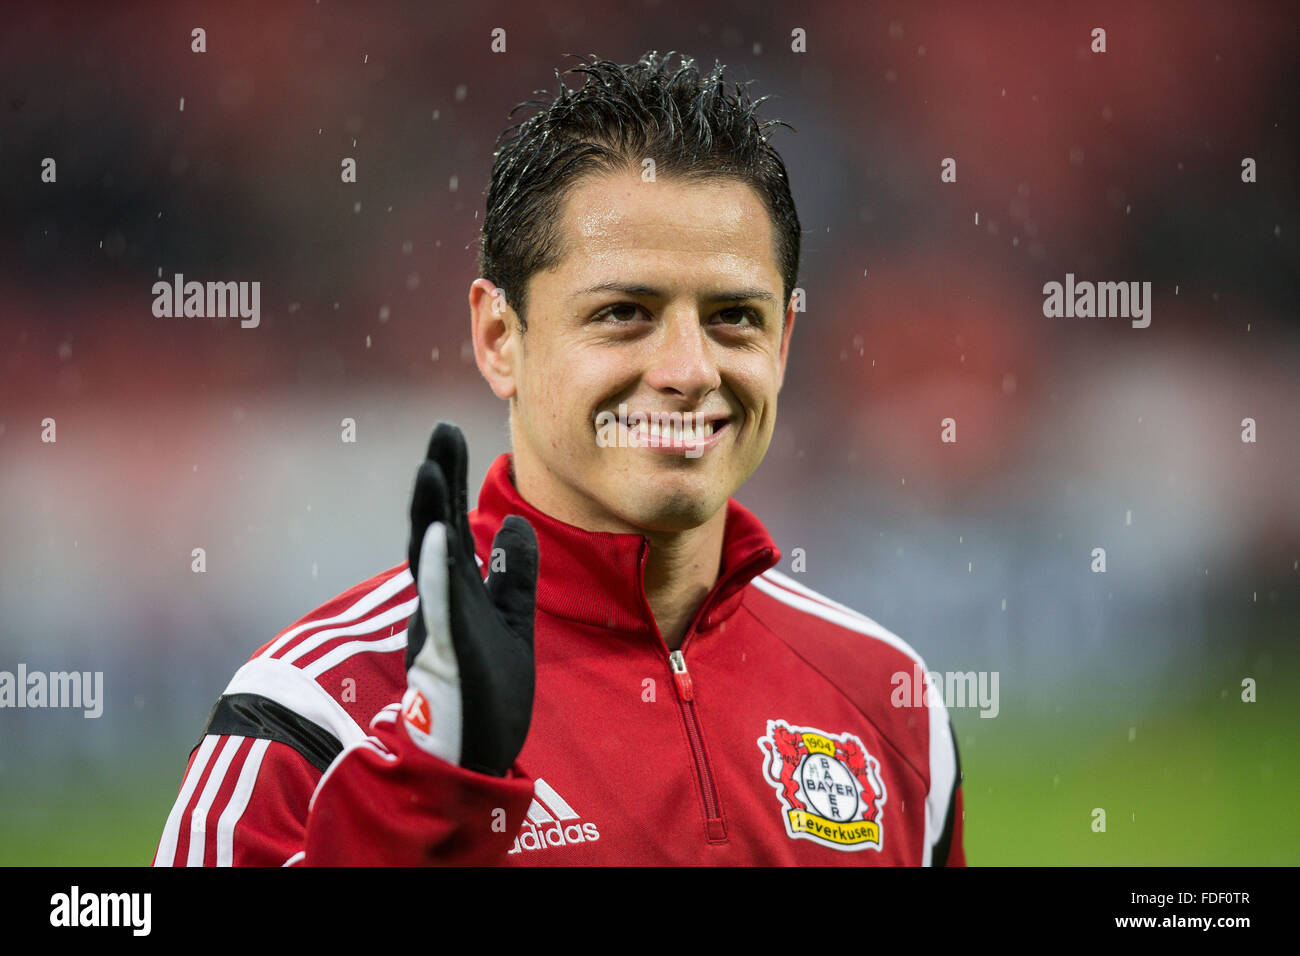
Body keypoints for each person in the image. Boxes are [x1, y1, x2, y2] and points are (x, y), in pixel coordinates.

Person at [153, 50, 965, 866]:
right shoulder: (309, 713)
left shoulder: (891, 702)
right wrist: (426, 791)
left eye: (732, 317)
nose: (688, 370)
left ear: (784, 344)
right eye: (623, 312)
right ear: (500, 338)